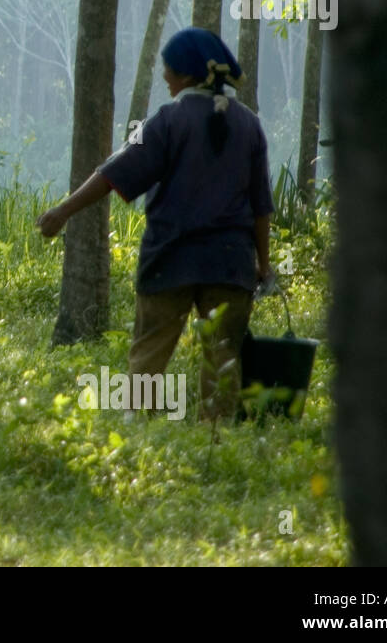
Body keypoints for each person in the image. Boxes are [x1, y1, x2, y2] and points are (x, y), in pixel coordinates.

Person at [38, 28, 273, 420]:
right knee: (223, 355)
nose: (164, 76)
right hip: (229, 263)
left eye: (168, 68)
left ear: (185, 75)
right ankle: (216, 441)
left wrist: (62, 211)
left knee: (149, 349)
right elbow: (261, 207)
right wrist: (262, 265)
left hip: (170, 258)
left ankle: (134, 433)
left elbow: (114, 174)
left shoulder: (169, 119)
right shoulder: (249, 125)